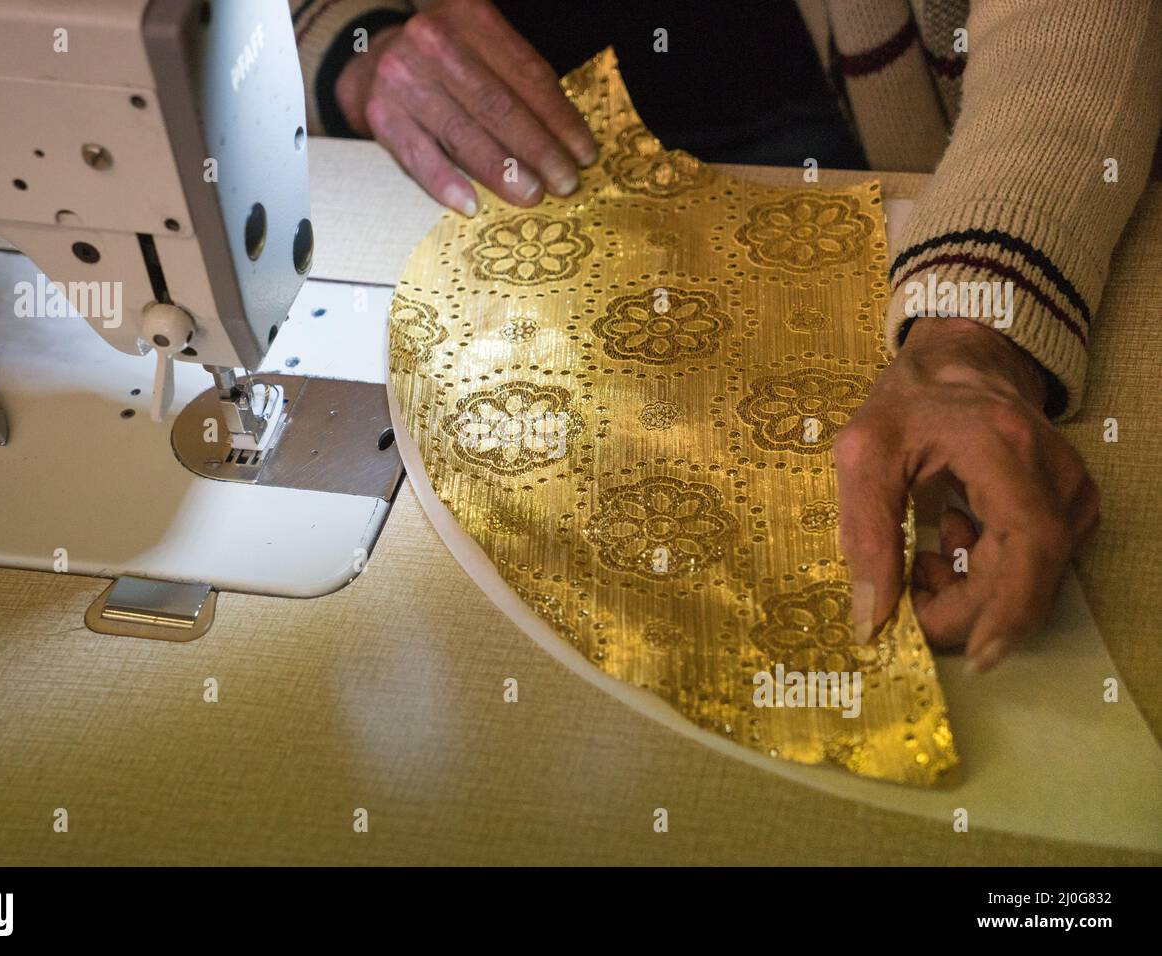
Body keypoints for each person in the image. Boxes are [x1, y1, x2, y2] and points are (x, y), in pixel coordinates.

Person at [288, 0, 1162, 672]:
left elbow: (1069, 32)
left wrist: (975, 331)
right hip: (485, 168)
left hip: (873, 148)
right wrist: (350, 39)